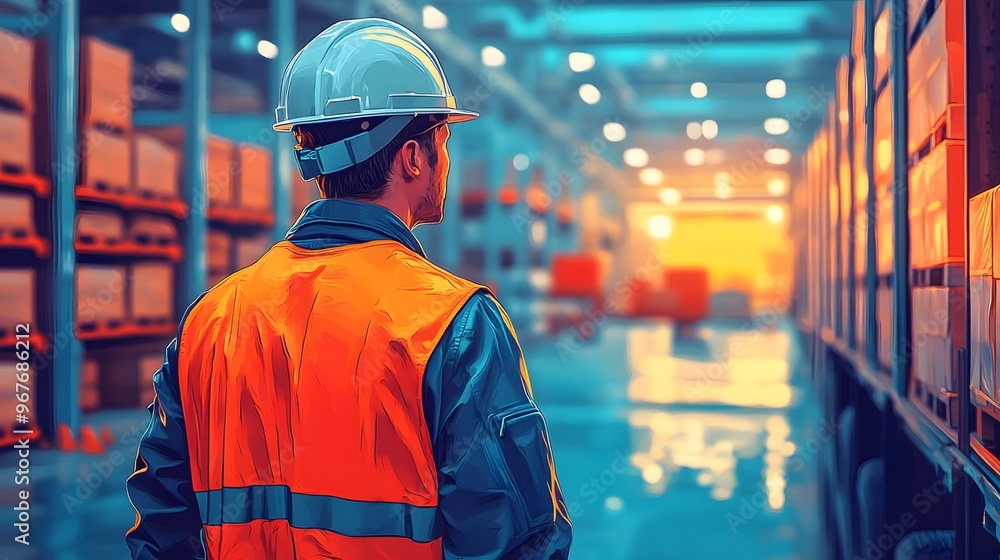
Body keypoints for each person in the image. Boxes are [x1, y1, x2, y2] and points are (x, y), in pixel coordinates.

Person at [125, 17, 572, 560]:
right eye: (442, 141)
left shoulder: (212, 319)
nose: (446, 162)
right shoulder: (452, 323)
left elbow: (164, 525)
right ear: (412, 156)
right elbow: (513, 539)